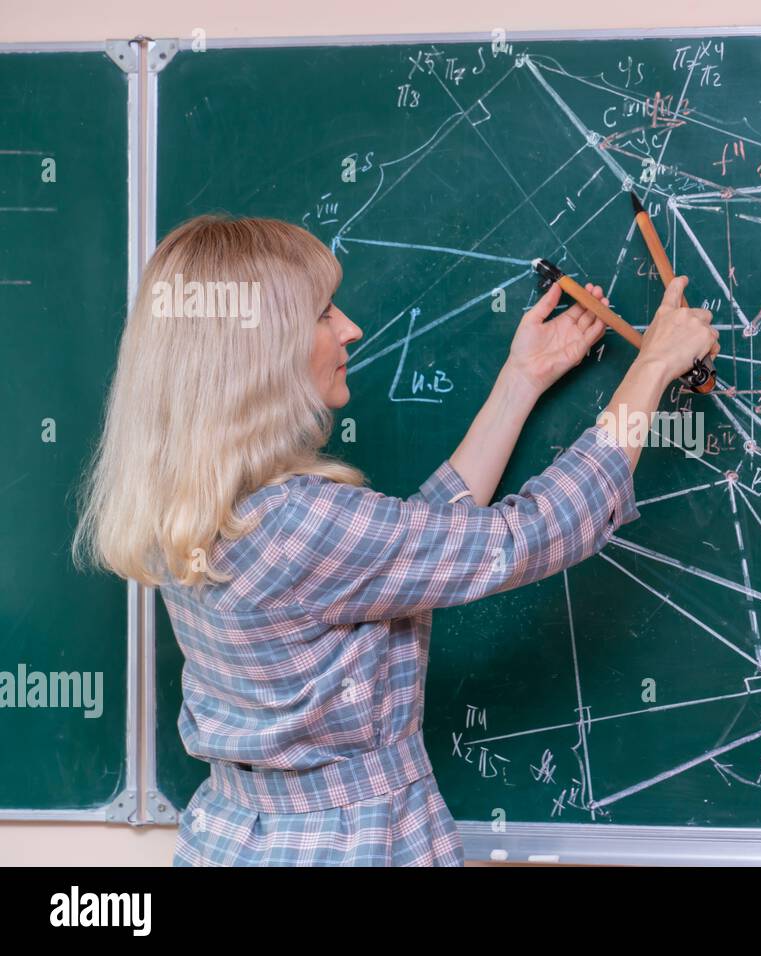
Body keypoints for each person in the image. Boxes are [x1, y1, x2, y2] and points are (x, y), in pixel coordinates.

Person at [73, 213, 718, 865]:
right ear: (261, 352)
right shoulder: (301, 522)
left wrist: (520, 382)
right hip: (350, 843)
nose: (350, 327)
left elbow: (400, 551)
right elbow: (533, 534)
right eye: (324, 314)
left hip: (235, 837)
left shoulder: (192, 506)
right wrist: (655, 365)